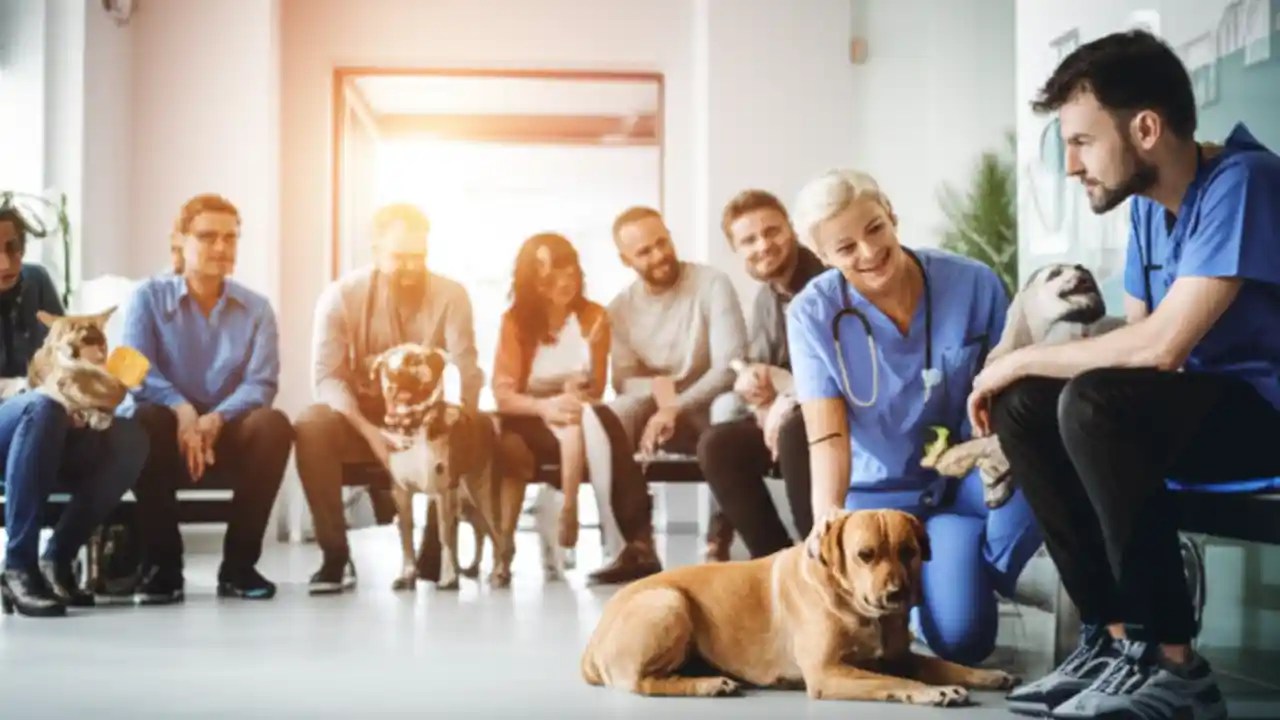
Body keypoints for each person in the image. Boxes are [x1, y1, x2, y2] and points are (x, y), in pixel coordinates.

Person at [972, 31, 1275, 719]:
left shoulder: (1244, 182)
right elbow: (1132, 341)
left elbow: (1161, 347)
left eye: (1081, 141)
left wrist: (1016, 355)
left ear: (1145, 127)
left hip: (1266, 415)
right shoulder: (1147, 209)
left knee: (1093, 402)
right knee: (1025, 405)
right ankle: (1114, 642)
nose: (1071, 165)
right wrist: (1020, 377)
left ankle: (1174, 661)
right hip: (1198, 413)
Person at [785, 169, 1043, 665]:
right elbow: (827, 434)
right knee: (965, 642)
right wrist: (827, 515)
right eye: (845, 248)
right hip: (882, 504)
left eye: (875, 228)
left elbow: (1010, 394)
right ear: (823, 257)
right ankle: (941, 586)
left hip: (968, 486)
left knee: (1041, 462)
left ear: (890, 212)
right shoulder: (812, 314)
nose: (868, 251)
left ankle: (954, 569)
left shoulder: (972, 283)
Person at [295, 202, 484, 595]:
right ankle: (334, 556)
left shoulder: (452, 295)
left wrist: (458, 419)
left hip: (431, 423)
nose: (412, 267)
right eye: (400, 257)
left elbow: (466, 369)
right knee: (312, 426)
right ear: (376, 253)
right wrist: (370, 433)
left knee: (474, 423)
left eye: (420, 256)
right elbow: (326, 379)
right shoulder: (340, 296)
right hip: (361, 417)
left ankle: (437, 549)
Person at [122, 193, 293, 604]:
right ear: (179, 239)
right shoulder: (147, 297)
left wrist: (213, 420)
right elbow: (134, 371)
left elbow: (261, 383)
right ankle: (163, 567)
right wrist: (182, 410)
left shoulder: (257, 309)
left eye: (230, 238)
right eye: (207, 236)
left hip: (226, 434)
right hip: (165, 431)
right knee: (143, 420)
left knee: (274, 425)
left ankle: (239, 567)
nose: (221, 247)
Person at [0, 207, 148, 617]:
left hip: (49, 422)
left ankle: (58, 557)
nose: (6, 263)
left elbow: (61, 358)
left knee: (131, 436)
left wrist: (82, 396)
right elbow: (43, 384)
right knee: (42, 407)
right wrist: (40, 392)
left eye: (13, 248)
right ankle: (19, 568)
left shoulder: (37, 283)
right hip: (14, 426)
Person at [491, 232, 658, 579]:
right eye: (552, 277)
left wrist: (574, 391)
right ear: (534, 282)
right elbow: (504, 394)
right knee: (573, 423)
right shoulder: (515, 321)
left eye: (570, 273)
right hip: (528, 416)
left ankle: (625, 545)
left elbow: (596, 387)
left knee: (597, 420)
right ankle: (569, 511)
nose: (565, 283)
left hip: (576, 413)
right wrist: (544, 406)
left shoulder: (594, 316)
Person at [597, 206, 748, 584]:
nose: (659, 255)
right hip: (658, 411)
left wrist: (677, 406)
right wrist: (661, 398)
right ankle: (637, 544)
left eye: (662, 242)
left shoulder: (712, 284)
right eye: (644, 251)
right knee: (614, 414)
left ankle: (718, 539)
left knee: (730, 405)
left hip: (709, 403)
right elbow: (625, 379)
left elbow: (730, 366)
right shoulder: (619, 309)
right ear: (625, 259)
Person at [697, 189, 822, 559]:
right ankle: (773, 562)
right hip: (787, 414)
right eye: (748, 240)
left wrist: (784, 395)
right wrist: (753, 383)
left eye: (772, 231)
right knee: (718, 445)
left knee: (794, 430)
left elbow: (841, 374)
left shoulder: (826, 282)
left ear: (792, 230)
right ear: (737, 251)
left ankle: (819, 558)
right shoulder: (767, 298)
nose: (763, 245)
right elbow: (763, 369)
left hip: (828, 414)